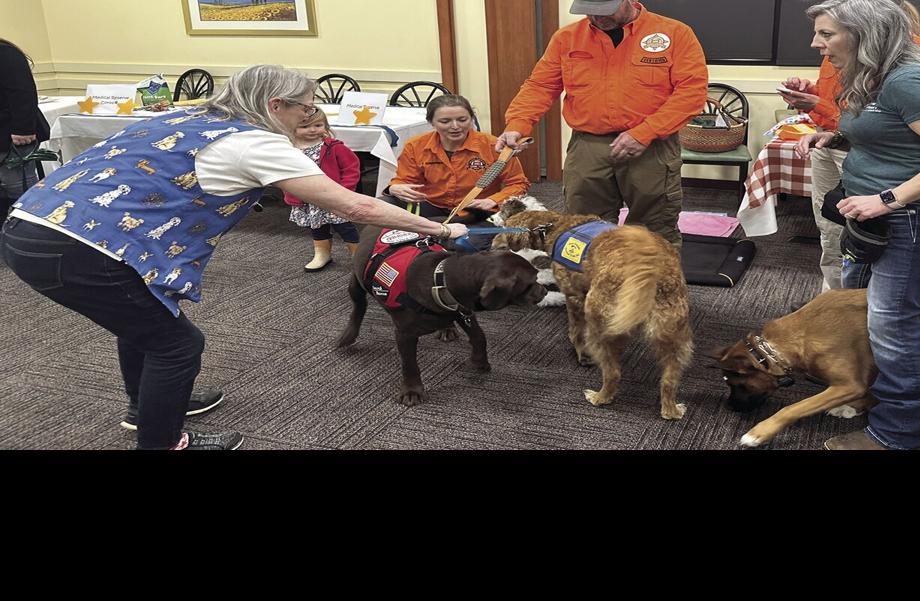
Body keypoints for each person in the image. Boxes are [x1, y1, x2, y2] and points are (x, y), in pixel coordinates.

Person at [1, 64, 470, 450]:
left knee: (147, 321)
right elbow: (354, 206)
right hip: (83, 248)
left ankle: (146, 409)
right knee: (177, 345)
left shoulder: (184, 117)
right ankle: (162, 441)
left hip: (29, 226)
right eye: (306, 108)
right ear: (275, 106)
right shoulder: (254, 141)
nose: (309, 116)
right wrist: (441, 228)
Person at [795, 0, 920, 451]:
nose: (816, 44)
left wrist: (888, 198)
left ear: (866, 33)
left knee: (890, 322)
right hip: (874, 217)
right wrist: (838, 136)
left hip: (914, 217)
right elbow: (896, 134)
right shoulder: (874, 74)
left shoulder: (912, 79)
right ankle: (865, 394)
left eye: (826, 34)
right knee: (857, 308)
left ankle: (900, 433)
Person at [495, 0, 708, 249]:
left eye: (605, 10)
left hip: (651, 145)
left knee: (653, 227)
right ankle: (588, 275)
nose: (597, 17)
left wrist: (645, 133)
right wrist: (518, 124)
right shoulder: (567, 38)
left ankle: (651, 275)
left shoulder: (675, 33)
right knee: (582, 227)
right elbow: (541, 86)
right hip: (588, 144)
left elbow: (691, 92)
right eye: (589, 11)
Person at [777, 1, 920, 292]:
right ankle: (834, 297)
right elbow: (842, 99)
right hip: (829, 141)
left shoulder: (908, 54)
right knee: (829, 225)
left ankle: (859, 302)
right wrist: (811, 93)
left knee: (865, 235)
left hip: (864, 151)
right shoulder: (840, 44)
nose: (817, 43)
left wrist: (818, 104)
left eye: (825, 34)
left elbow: (876, 120)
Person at [384, 95, 528, 239]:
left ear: (472, 119)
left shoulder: (494, 146)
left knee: (465, 244)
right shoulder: (415, 146)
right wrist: (394, 187)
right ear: (431, 122)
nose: (455, 126)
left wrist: (493, 200)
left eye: (462, 120)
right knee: (384, 207)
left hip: (477, 212)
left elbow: (518, 183)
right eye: (445, 121)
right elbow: (405, 180)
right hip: (432, 206)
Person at [282, 108, 361, 272]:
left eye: (318, 125)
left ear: (325, 126)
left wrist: (345, 191)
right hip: (308, 198)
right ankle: (322, 253)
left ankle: (359, 255)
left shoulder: (333, 147)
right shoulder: (289, 150)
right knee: (316, 226)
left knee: (344, 226)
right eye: (305, 126)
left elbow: (351, 168)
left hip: (334, 197)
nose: (312, 130)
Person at [1, 38, 50, 220]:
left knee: (17, 187)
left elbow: (23, 92)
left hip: (10, 136)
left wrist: (23, 129)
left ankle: (28, 227)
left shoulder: (5, 53)